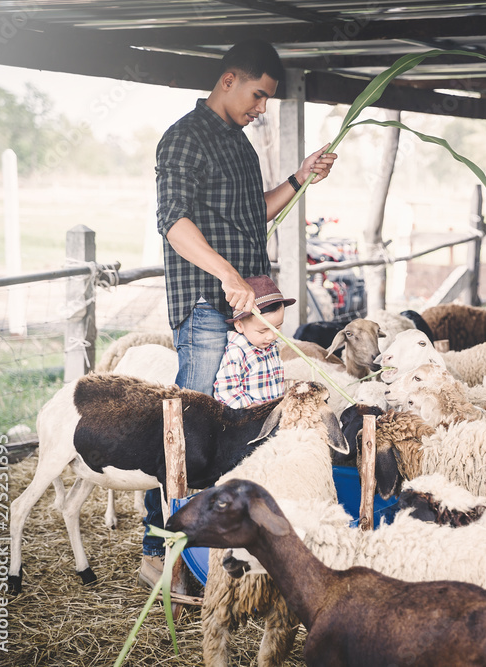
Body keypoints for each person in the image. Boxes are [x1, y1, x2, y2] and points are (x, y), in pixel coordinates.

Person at [142, 39, 336, 589]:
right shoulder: (184, 138)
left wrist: (300, 179)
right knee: (191, 430)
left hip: (248, 307)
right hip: (208, 305)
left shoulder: (240, 145)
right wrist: (227, 276)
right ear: (229, 79)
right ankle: (163, 554)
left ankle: (219, 545)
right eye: (258, 96)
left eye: (268, 101)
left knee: (239, 428)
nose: (261, 109)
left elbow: (255, 214)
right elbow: (173, 221)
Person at [213, 274, 294, 409]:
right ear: (239, 326)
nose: (272, 336)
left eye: (278, 327)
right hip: (250, 420)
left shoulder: (271, 347)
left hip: (271, 415)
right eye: (263, 331)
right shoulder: (237, 352)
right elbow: (225, 390)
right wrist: (251, 408)